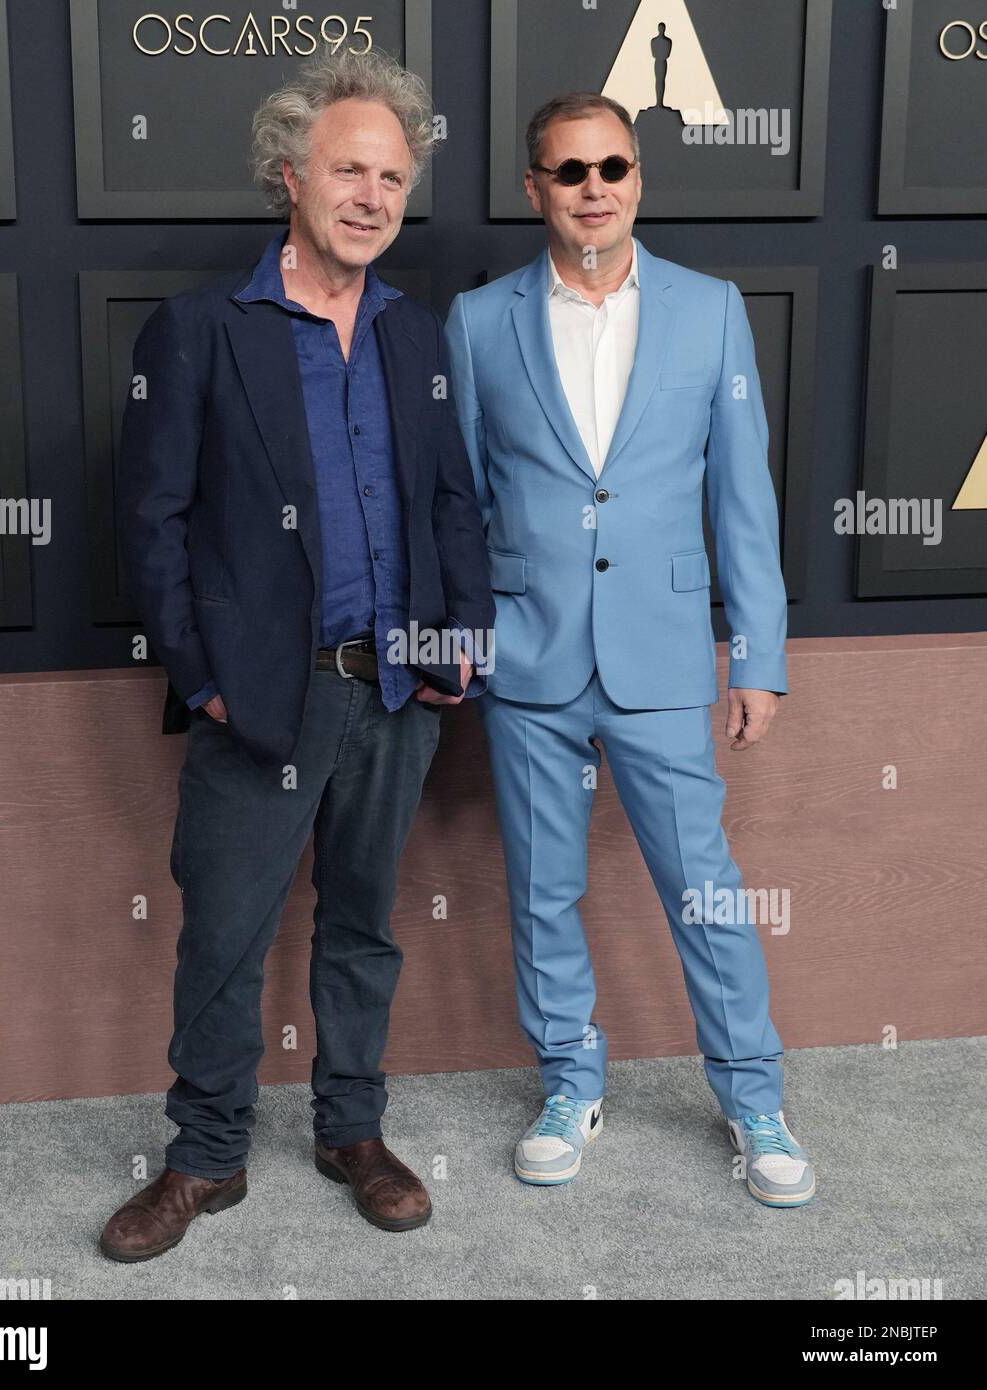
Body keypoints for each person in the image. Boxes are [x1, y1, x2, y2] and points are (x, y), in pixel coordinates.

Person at [102, 48, 493, 1261]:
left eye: (391, 176)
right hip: (261, 701)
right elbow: (152, 521)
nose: (372, 196)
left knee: (364, 923)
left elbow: (451, 506)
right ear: (290, 176)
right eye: (348, 171)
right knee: (224, 933)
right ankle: (205, 1156)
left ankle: (350, 1131)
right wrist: (205, 677)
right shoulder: (201, 330)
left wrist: (456, 647)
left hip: (395, 695)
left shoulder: (413, 332)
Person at [445, 92, 815, 1207]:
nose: (592, 186)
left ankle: (753, 1099)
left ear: (639, 178)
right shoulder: (476, 321)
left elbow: (740, 495)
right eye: (568, 171)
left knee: (703, 888)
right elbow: (456, 502)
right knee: (542, 888)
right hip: (529, 655)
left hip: (659, 655)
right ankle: (569, 1078)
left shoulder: (708, 312)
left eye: (611, 166)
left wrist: (754, 654)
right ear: (534, 190)